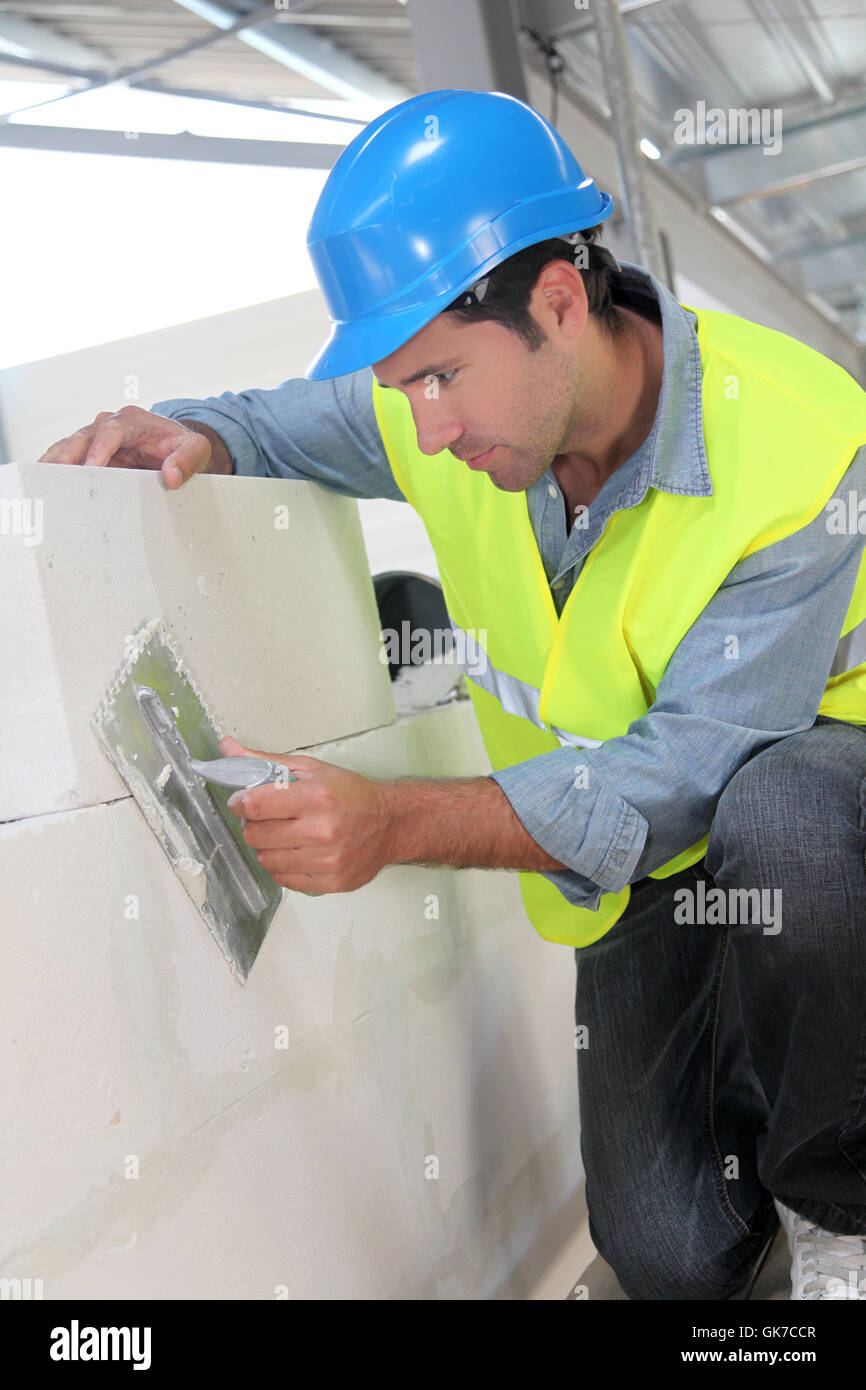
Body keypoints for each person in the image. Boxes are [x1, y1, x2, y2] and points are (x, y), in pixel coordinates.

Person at [40, 89, 866, 1301]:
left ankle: (842, 1207)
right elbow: (280, 423)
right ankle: (761, 1111)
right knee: (663, 1256)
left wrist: (393, 822)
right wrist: (188, 434)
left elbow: (686, 772)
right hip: (624, 864)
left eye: (436, 379)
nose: (420, 430)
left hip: (803, 794)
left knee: (776, 827)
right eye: (400, 384)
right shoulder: (463, 408)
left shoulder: (801, 443)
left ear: (557, 301)